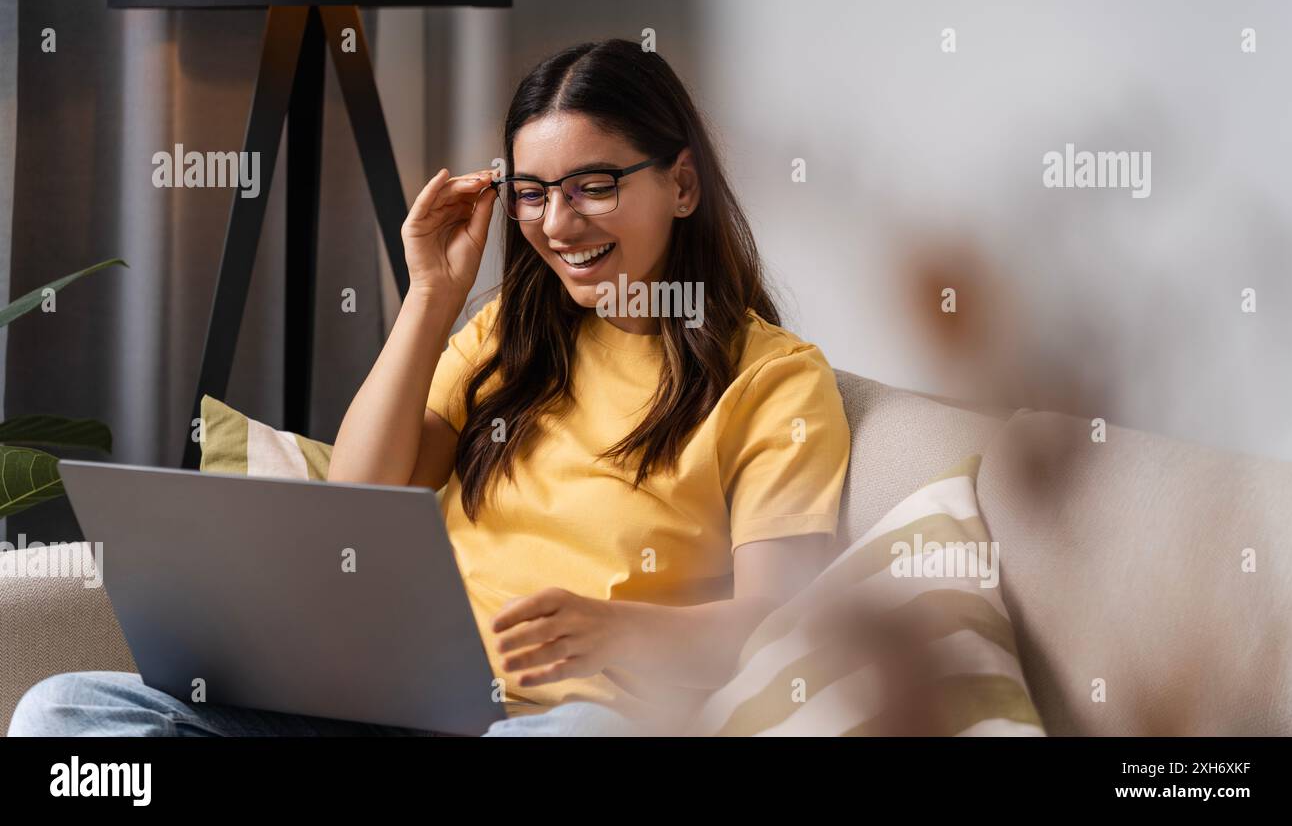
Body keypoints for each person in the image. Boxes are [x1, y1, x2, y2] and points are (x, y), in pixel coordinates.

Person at [8, 39, 851, 737]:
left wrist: (614, 631)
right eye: (532, 194)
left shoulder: (775, 381)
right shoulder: (503, 339)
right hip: (379, 700)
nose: (559, 225)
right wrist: (430, 297)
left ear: (682, 184)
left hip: (559, 720)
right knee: (64, 711)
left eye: (595, 185)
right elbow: (358, 495)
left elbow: (778, 623)